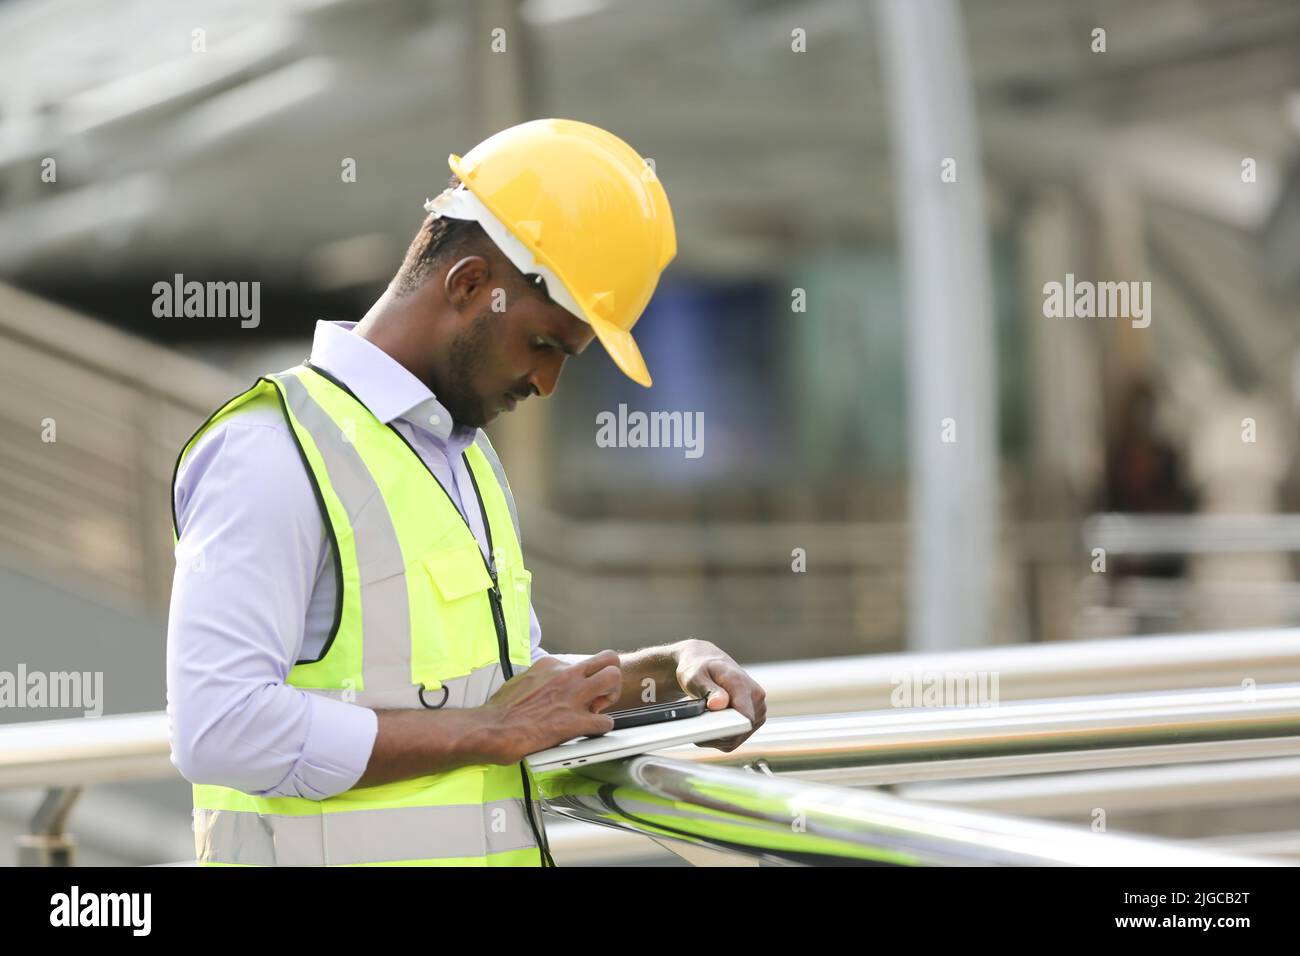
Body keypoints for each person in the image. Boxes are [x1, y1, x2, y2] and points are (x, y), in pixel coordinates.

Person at [166, 118, 767, 867]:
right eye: (547, 344)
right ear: (472, 284)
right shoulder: (271, 451)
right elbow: (217, 726)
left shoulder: (464, 456)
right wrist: (487, 734)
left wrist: (658, 676)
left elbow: (493, 687)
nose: (547, 382)